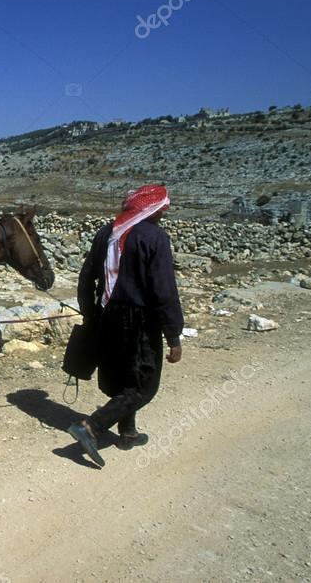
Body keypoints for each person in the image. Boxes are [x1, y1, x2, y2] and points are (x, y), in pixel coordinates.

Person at [68, 184, 184, 467]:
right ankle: (92, 427)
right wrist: (173, 334)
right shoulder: (154, 237)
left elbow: (86, 278)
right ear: (153, 210)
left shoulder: (107, 233)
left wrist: (90, 313)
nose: (162, 216)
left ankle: (128, 433)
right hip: (139, 321)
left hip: (107, 315)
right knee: (143, 385)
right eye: (161, 211)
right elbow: (163, 290)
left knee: (122, 379)